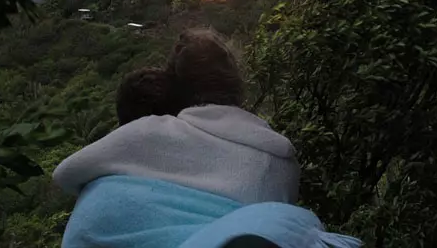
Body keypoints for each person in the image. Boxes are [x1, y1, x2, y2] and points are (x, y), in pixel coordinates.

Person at [53, 29, 362, 248]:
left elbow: (66, 173)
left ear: (176, 89)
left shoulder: (148, 131)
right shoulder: (279, 159)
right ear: (238, 86)